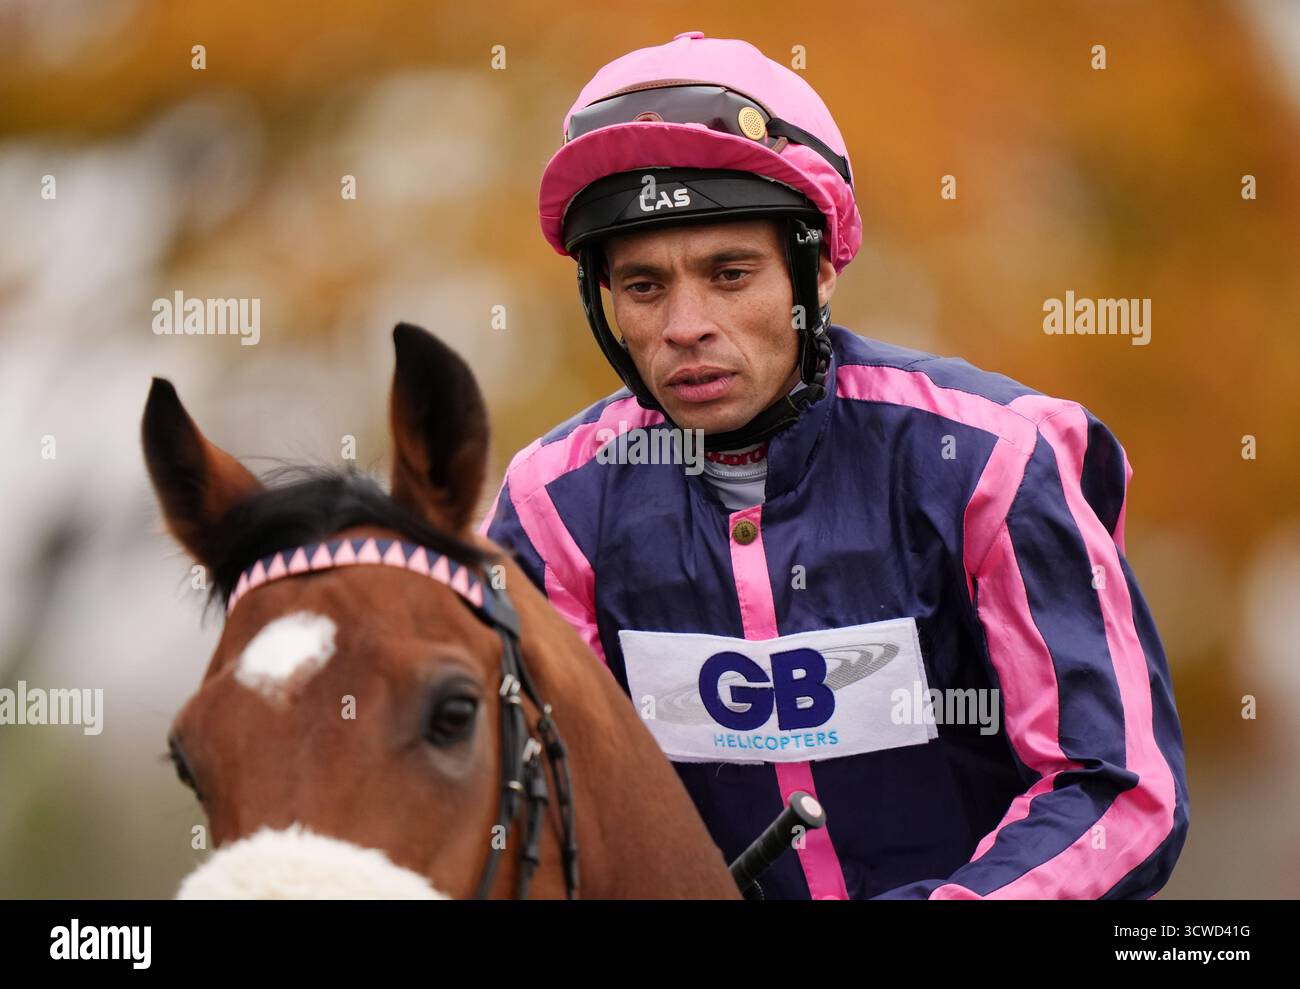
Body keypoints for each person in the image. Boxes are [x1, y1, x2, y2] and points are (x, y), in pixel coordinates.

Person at [479, 31, 1189, 899]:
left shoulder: (991, 459)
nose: (685, 325)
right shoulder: (552, 505)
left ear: (814, 276)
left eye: (730, 273)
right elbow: (530, 817)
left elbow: (1119, 791)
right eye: (644, 285)